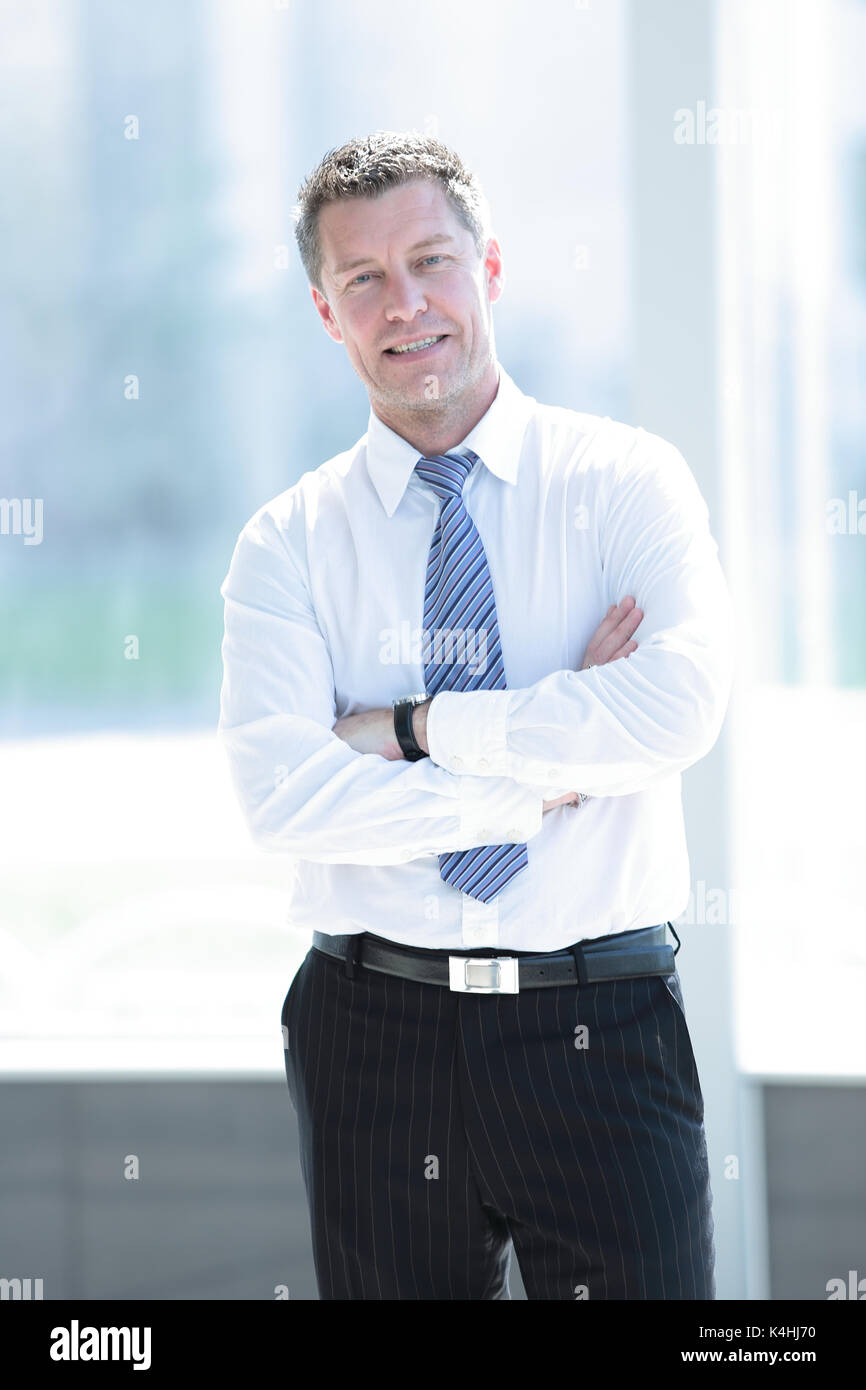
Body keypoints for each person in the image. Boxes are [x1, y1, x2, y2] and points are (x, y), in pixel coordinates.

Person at [218, 130, 735, 1301]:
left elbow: (678, 705)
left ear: (488, 268)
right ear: (325, 312)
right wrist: (549, 768)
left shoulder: (625, 483)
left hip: (597, 1018)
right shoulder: (287, 544)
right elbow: (284, 796)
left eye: (431, 261)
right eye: (364, 279)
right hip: (373, 1030)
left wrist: (411, 727)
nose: (406, 304)